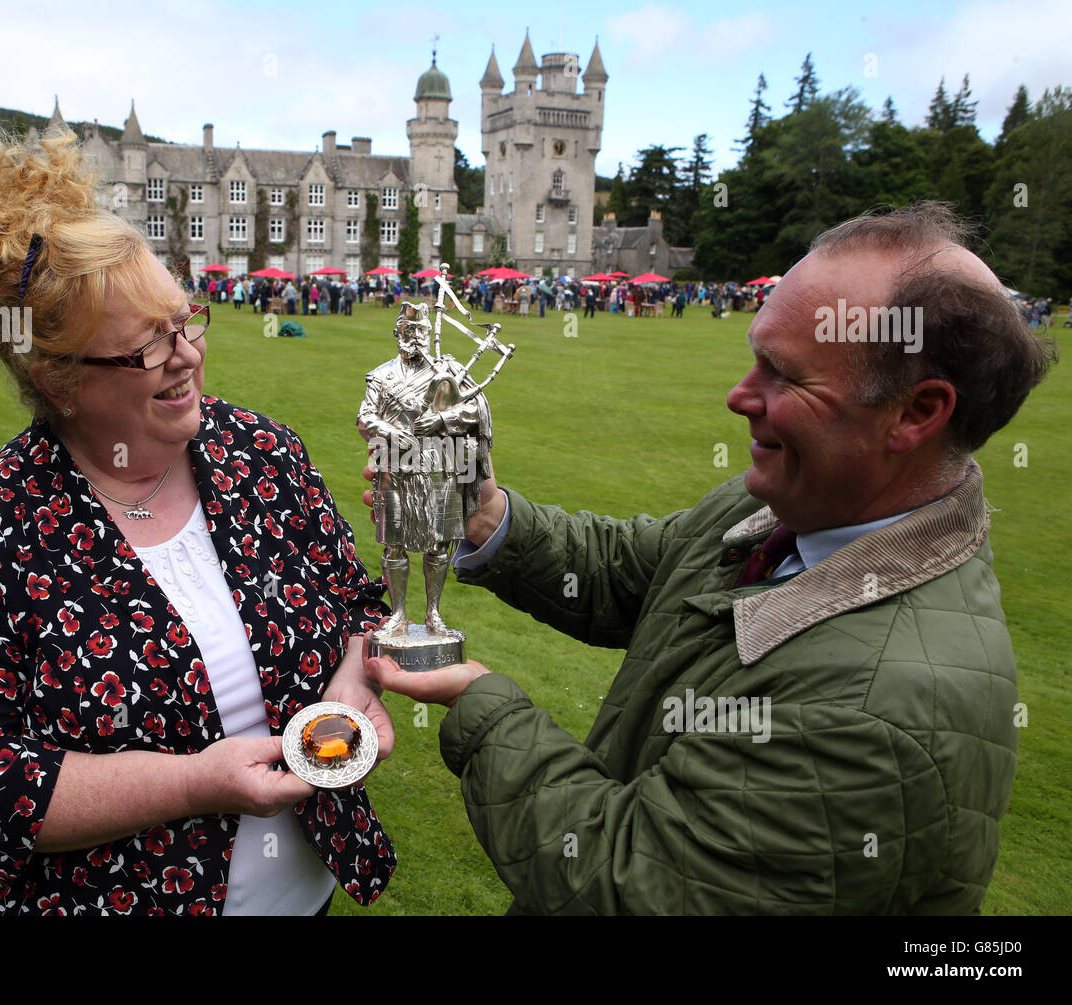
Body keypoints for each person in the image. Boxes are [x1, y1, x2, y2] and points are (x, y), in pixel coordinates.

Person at [365, 202, 1055, 915]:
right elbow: (634, 571)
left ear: (915, 413)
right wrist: (486, 514)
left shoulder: (870, 716)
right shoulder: (791, 503)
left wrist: (484, 709)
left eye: (783, 375)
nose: (738, 395)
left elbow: (626, 882)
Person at [0, 123, 397, 916]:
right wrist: (193, 781)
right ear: (56, 378)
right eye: (145, 348)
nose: (187, 354)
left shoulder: (259, 451)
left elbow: (361, 605)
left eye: (185, 319)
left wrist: (343, 707)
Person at [357, 301, 492, 640]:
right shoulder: (381, 376)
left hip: (440, 464)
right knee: (394, 544)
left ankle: (433, 614)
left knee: (438, 545)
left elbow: (475, 412)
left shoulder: (446, 373)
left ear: (429, 334)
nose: (414, 337)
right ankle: (399, 615)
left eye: (421, 332)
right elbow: (364, 418)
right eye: (408, 330)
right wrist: (390, 431)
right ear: (396, 333)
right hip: (394, 466)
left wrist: (443, 418)